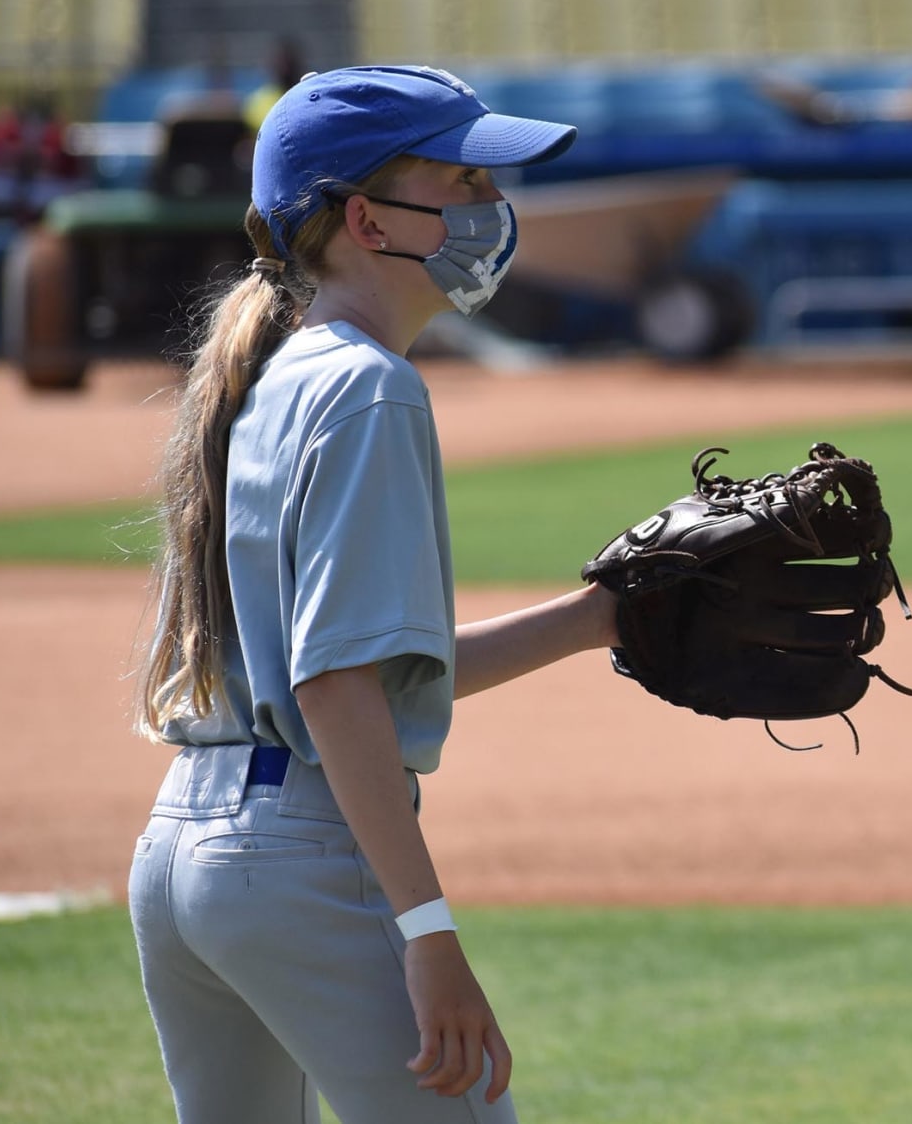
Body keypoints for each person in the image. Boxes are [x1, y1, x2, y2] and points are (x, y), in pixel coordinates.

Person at [128, 64, 614, 1123]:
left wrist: (592, 622)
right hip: (299, 859)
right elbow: (337, 690)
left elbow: (354, 669)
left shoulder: (275, 377)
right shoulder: (370, 389)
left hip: (182, 850)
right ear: (367, 219)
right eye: (464, 181)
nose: (493, 206)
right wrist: (427, 931)